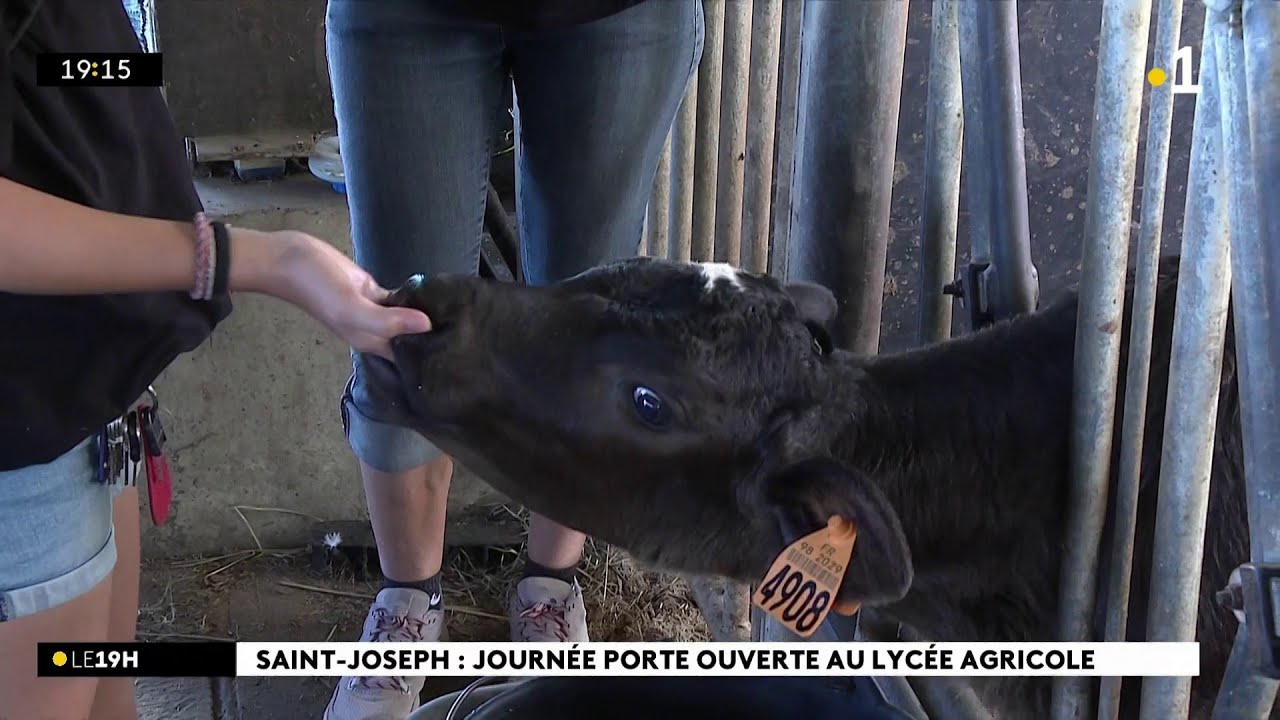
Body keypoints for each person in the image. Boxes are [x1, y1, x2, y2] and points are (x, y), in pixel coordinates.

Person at [0, 2, 431, 719]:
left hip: (91, 395)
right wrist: (252, 258)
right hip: (24, 430)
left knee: (109, 695)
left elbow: (57, 71)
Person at [322, 0, 703, 716]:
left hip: (615, 12)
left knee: (593, 328)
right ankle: (408, 605)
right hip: (407, 11)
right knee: (404, 322)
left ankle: (550, 589)